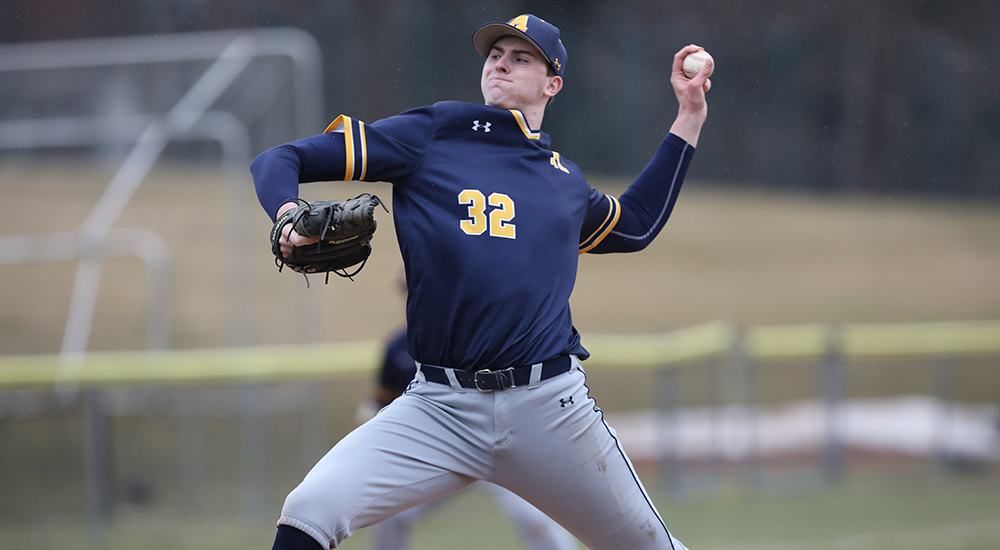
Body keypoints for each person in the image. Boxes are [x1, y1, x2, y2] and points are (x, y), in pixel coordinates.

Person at [251, 13, 711, 550]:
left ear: (552, 83)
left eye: (521, 58)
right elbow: (281, 158)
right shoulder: (435, 132)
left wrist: (690, 114)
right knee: (309, 511)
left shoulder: (563, 180)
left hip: (550, 409)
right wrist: (287, 214)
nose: (501, 63)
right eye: (495, 54)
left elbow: (635, 226)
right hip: (438, 406)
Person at [353, 278, 578, 550]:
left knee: (536, 519)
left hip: (502, 446)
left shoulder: (480, 336)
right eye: (407, 291)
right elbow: (380, 401)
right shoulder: (399, 348)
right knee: (390, 515)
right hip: (442, 451)